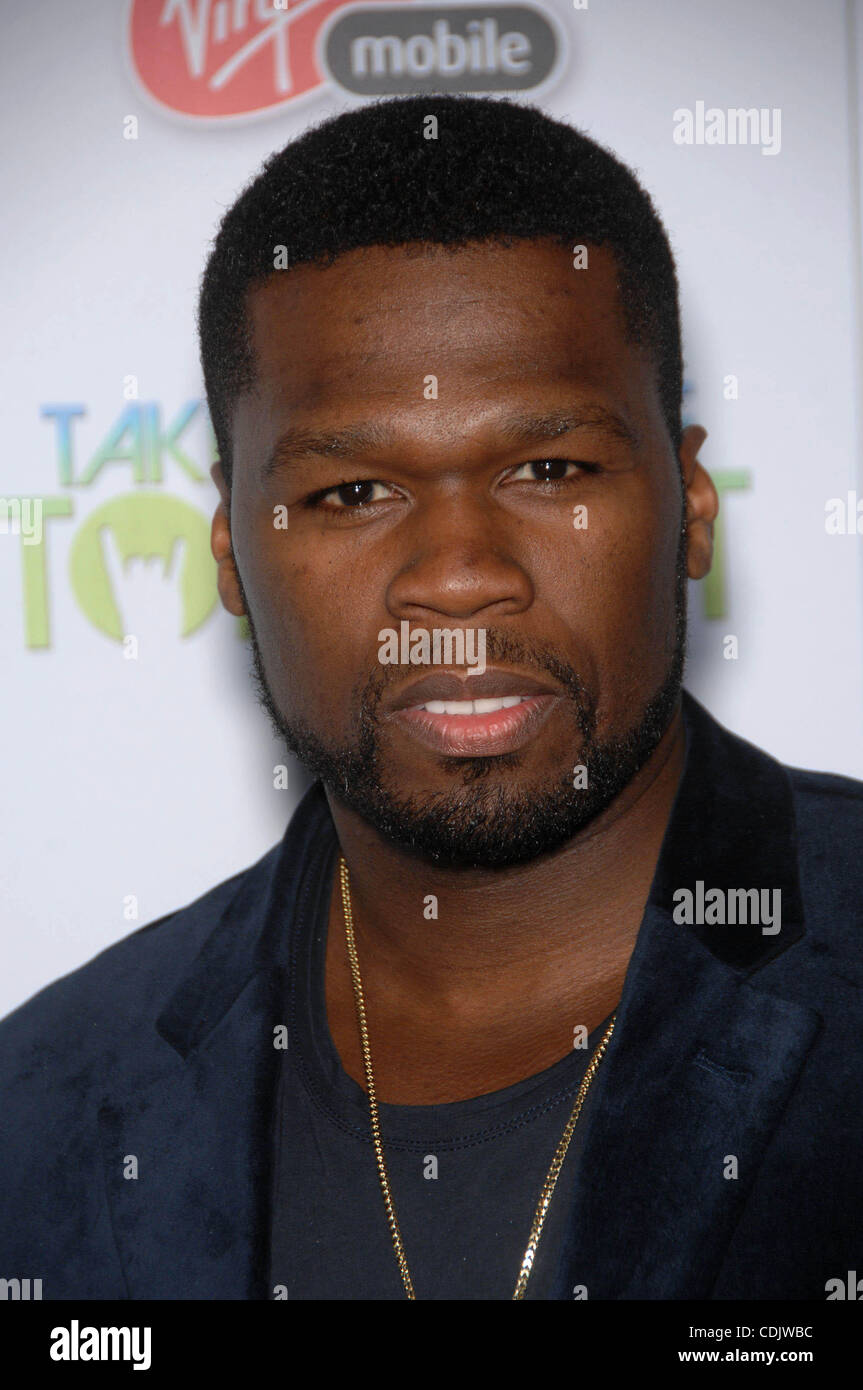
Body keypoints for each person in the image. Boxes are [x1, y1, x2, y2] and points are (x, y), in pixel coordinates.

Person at [1, 95, 861, 1302]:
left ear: (690, 508)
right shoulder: (45, 1108)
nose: (458, 574)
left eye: (548, 469)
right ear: (230, 552)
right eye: (351, 491)